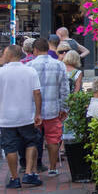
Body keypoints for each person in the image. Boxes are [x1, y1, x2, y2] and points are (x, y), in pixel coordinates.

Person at [0, 45, 43, 188]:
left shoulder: (1, 72)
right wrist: (38, 113)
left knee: (9, 147)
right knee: (31, 142)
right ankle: (29, 173)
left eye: (4, 53)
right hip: (26, 115)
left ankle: (14, 177)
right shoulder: (30, 71)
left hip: (6, 117)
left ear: (10, 55)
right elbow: (37, 93)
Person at [29, 38, 69, 177]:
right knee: (53, 139)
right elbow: (65, 89)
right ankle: (52, 168)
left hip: (34, 111)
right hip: (54, 108)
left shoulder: (29, 65)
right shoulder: (59, 65)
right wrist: (65, 108)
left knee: (33, 140)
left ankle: (32, 169)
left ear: (35, 50)